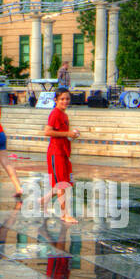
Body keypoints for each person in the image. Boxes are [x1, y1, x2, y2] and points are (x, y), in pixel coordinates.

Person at [44, 87, 81, 222]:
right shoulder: (55, 114)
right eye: (62, 99)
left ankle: (43, 200)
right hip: (56, 152)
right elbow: (47, 132)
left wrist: (71, 135)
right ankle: (65, 214)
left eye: (67, 99)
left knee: (62, 182)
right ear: (56, 100)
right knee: (61, 184)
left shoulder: (64, 115)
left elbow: (62, 133)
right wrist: (67, 134)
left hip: (63, 152)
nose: (65, 101)